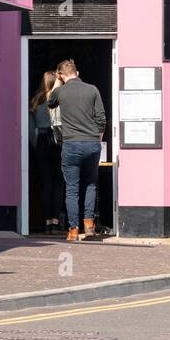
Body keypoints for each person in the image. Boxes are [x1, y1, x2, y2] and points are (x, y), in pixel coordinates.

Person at [48, 59, 107, 241]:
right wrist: (97, 139)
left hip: (71, 144)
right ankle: (89, 224)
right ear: (78, 73)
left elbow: (50, 102)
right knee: (90, 184)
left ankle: (73, 230)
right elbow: (101, 118)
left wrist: (58, 82)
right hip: (91, 143)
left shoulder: (61, 91)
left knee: (72, 188)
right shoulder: (92, 89)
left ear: (62, 75)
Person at [29, 71, 66, 234]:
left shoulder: (36, 101)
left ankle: (46, 221)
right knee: (59, 182)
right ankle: (56, 221)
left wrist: (36, 145)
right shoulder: (59, 100)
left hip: (42, 140)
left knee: (46, 182)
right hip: (58, 140)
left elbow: (31, 130)